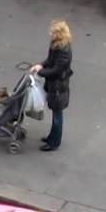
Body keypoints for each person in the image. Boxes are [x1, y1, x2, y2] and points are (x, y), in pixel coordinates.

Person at [32, 19, 72, 152]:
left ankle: (54, 142)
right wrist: (41, 65)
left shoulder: (64, 51)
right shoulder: (56, 44)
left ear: (59, 34)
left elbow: (57, 70)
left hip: (58, 87)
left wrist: (41, 72)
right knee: (55, 113)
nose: (50, 34)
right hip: (54, 85)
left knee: (57, 115)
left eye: (53, 32)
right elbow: (50, 60)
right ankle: (51, 137)